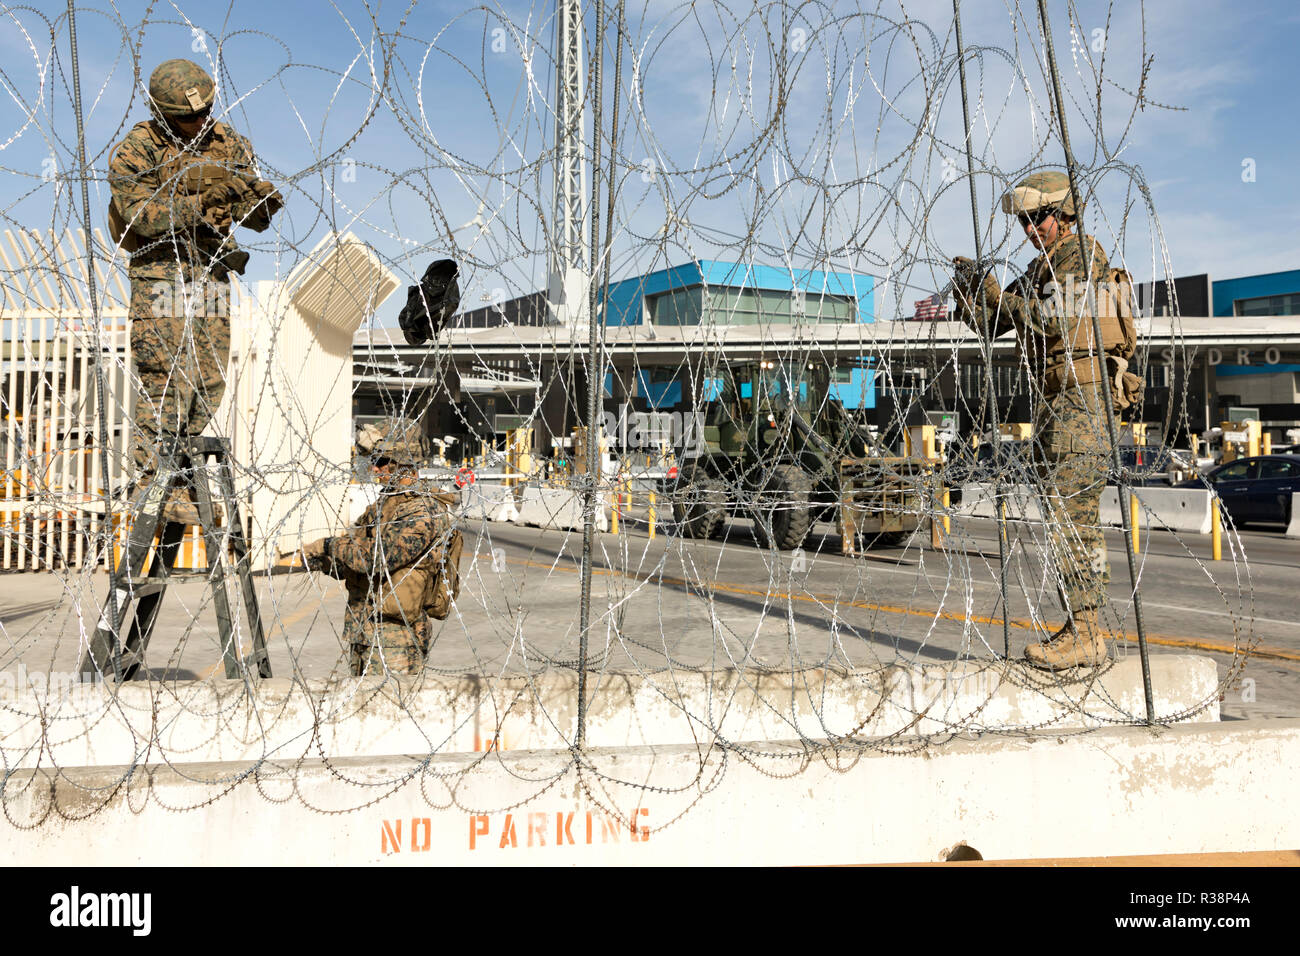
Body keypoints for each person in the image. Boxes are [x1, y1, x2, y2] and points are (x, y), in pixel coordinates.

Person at [951, 170, 1139, 670]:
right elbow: (994, 323)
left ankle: (1087, 632)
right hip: (1057, 404)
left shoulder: (1082, 255)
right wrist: (972, 294)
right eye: (1025, 221)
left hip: (1085, 401)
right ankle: (1083, 627)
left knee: (1072, 518)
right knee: (1065, 518)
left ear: (1063, 214)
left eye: (1039, 218)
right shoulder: (1041, 268)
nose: (1031, 228)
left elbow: (1057, 318)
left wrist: (1000, 298)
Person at [108, 58, 283, 525]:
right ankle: (151, 482)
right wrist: (197, 206)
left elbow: (248, 206)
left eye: (207, 110)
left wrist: (258, 204)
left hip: (211, 274)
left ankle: (180, 483)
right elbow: (137, 213)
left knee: (207, 383)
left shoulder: (227, 142)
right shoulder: (137, 149)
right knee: (166, 379)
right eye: (190, 115)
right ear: (163, 113)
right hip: (162, 274)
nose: (201, 120)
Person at [291, 418, 462, 676]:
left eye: (382, 462)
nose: (375, 469)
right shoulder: (383, 508)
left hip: (396, 639)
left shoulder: (422, 511)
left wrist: (328, 545)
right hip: (364, 633)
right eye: (374, 461)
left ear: (405, 462)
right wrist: (322, 560)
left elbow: (375, 557)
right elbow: (353, 560)